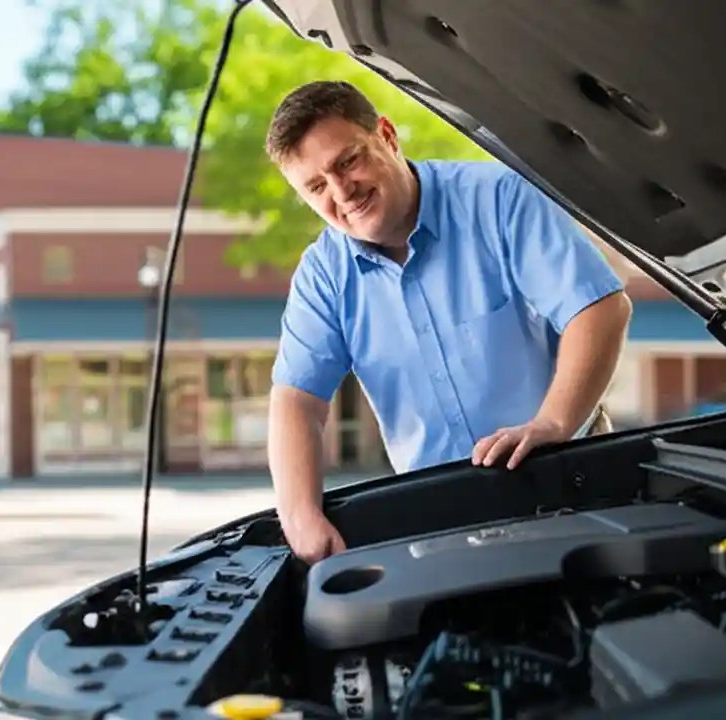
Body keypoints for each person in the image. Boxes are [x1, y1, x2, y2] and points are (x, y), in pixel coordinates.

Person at [265, 80, 632, 563]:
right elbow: (297, 400)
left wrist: (553, 423)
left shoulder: (498, 199)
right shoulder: (323, 275)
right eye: (316, 186)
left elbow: (599, 307)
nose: (341, 191)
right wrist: (299, 516)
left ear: (387, 135)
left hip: (566, 473)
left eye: (347, 161)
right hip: (437, 511)